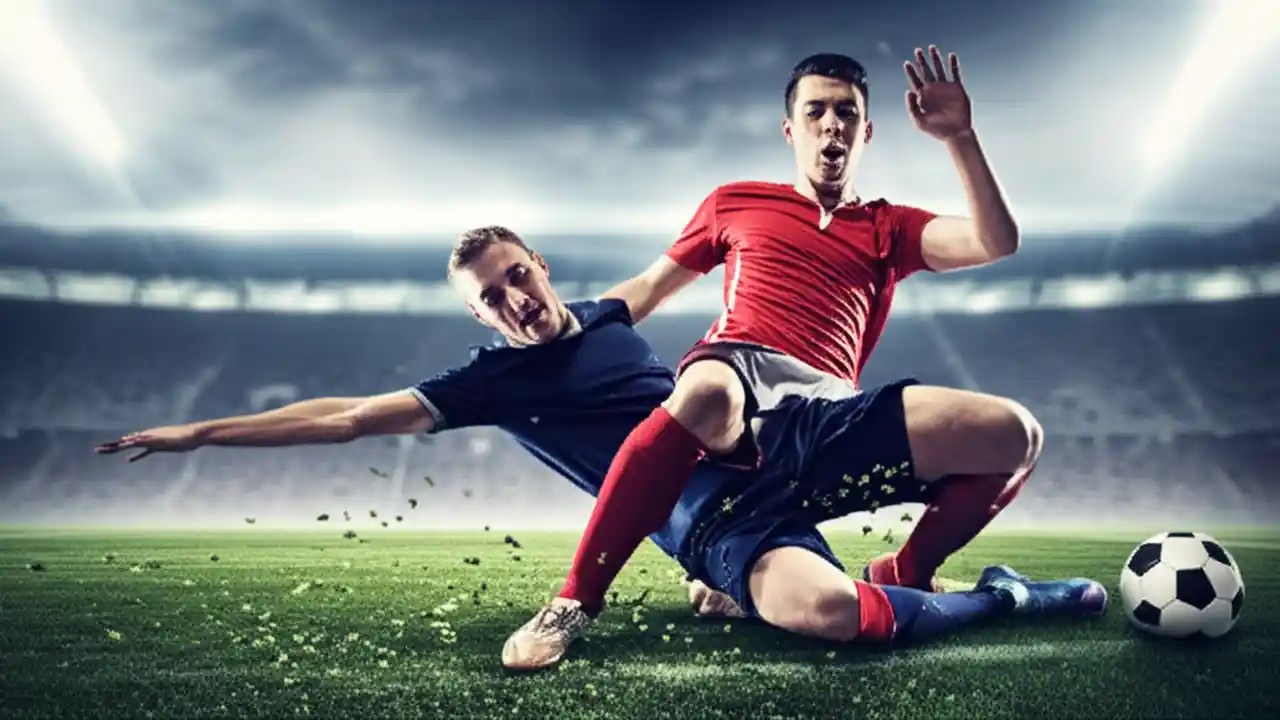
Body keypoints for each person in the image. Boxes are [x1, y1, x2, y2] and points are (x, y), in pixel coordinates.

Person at [96, 227, 1106, 672]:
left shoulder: (610, 313)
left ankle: (908, 561)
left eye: (516, 277)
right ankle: (1011, 596)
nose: (513, 301)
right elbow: (349, 416)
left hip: (777, 440)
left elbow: (690, 257)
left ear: (539, 265)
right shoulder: (489, 383)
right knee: (828, 614)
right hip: (710, 522)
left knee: (1002, 431)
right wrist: (198, 431)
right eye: (490, 298)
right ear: (480, 317)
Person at [508, 47, 1042, 669]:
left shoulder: (889, 227)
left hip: (828, 415)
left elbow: (995, 241)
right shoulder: (734, 203)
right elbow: (648, 288)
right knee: (707, 391)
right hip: (737, 373)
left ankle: (908, 570)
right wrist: (567, 333)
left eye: (847, 112)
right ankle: (574, 602)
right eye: (816, 111)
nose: (831, 124)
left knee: (1015, 434)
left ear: (866, 132)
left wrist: (961, 137)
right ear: (791, 130)